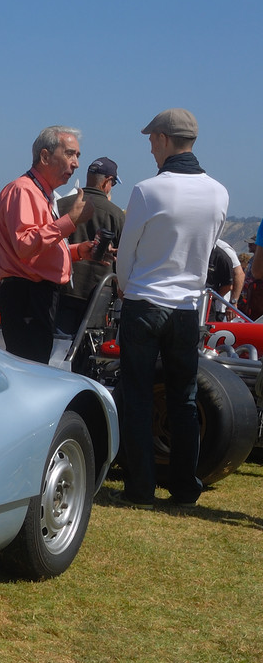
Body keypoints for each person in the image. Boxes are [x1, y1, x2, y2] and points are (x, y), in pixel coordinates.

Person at [113, 108, 229, 509]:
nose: (149, 147)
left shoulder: (148, 190)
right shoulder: (219, 192)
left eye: (151, 140)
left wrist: (126, 287)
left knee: (138, 397)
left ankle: (141, 488)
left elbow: (126, 254)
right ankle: (185, 488)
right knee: (183, 400)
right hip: (186, 307)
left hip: (145, 301)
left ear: (163, 139)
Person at [0, 126, 99, 363]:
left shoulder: (40, 192)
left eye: (77, 156)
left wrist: (78, 251)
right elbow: (25, 245)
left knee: (34, 365)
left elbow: (36, 249)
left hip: (33, 295)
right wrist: (71, 220)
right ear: (45, 156)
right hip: (27, 295)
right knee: (31, 368)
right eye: (70, 154)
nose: (76, 163)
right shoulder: (24, 190)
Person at [54, 156, 126, 334]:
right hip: (96, 293)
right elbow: (123, 257)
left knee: (55, 346)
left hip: (59, 288)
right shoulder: (116, 215)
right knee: (85, 348)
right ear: (107, 181)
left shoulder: (59, 205)